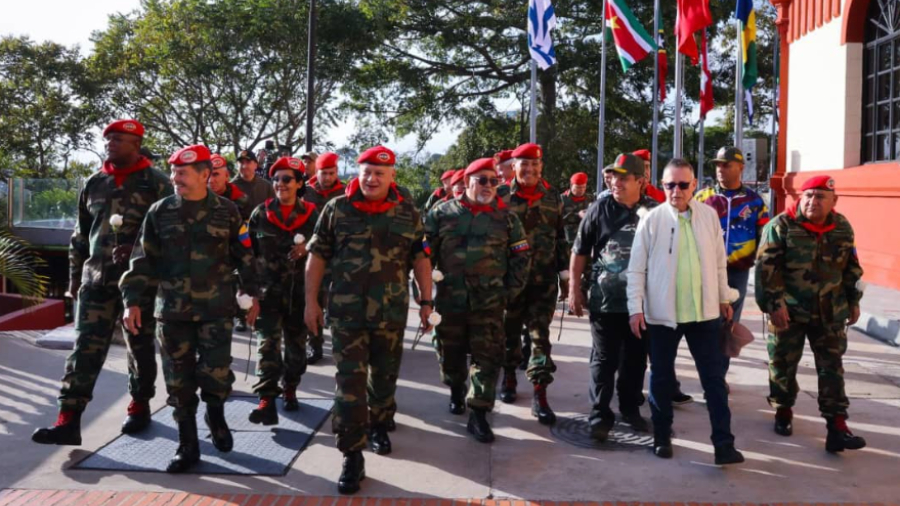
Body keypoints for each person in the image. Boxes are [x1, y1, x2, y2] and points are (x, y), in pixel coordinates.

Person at [120, 144, 260, 473]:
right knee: (178, 380)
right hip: (172, 311)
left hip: (216, 309)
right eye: (173, 172)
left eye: (182, 173)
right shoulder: (159, 212)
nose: (175, 178)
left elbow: (245, 256)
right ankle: (187, 444)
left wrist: (252, 293)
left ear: (204, 175)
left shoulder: (227, 211)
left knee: (216, 373)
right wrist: (132, 301)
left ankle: (216, 416)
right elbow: (142, 259)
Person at [32, 120, 173, 447]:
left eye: (118, 139)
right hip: (96, 280)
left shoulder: (157, 183)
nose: (110, 143)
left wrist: (137, 248)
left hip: (139, 284)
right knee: (84, 349)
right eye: (108, 139)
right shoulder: (95, 182)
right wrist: (74, 278)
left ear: (136, 144)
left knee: (139, 346)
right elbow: (81, 234)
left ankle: (139, 405)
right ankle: (68, 420)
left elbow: (169, 234)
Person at [305, 145, 433, 495]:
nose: (372, 179)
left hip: (391, 312)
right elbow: (317, 257)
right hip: (346, 314)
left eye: (380, 173)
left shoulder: (407, 212)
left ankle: (379, 423)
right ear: (357, 173)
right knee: (349, 384)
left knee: (384, 377)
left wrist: (426, 301)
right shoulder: (337, 209)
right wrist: (310, 302)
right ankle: (351, 454)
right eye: (367, 173)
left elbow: (421, 258)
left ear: (392, 176)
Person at [626, 158, 744, 465]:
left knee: (714, 381)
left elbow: (719, 263)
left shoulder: (708, 216)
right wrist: (635, 309)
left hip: (704, 315)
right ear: (662, 185)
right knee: (661, 378)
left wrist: (723, 298)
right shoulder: (652, 220)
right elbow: (636, 269)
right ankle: (662, 437)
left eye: (682, 184)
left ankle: (724, 445)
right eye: (669, 185)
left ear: (694, 185)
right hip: (663, 316)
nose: (676, 191)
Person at [755, 175, 866, 453]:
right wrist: (774, 305)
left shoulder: (842, 227)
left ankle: (837, 426)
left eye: (820, 197)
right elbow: (766, 269)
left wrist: (853, 300)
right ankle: (783, 410)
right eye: (808, 196)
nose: (812, 201)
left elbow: (852, 267)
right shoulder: (781, 226)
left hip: (830, 312)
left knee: (832, 368)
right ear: (800, 198)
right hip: (789, 312)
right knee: (782, 364)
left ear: (834, 201)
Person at [424, 158, 530, 443]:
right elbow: (424, 255)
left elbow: (521, 257)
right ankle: (456, 388)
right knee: (449, 354)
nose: (488, 186)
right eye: (482, 180)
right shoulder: (441, 213)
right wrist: (425, 295)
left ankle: (479, 413)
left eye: (494, 181)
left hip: (489, 303)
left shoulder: (507, 219)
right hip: (450, 301)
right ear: (466, 181)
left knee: (488, 358)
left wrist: (509, 292)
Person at [569, 154, 658, 441]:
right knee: (604, 360)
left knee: (636, 359)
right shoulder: (599, 209)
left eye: (623, 178)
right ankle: (600, 414)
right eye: (614, 177)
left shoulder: (655, 211)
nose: (616, 182)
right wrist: (574, 289)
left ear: (640, 181)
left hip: (641, 304)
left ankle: (630, 409)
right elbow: (580, 251)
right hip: (605, 301)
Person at [499, 142, 569, 426]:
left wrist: (565, 276)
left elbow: (560, 237)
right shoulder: (501, 196)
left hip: (543, 281)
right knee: (509, 334)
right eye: (524, 164)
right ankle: (508, 377)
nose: (529, 169)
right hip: (511, 281)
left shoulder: (553, 197)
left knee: (540, 336)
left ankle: (540, 393)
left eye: (534, 164)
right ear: (513, 167)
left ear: (541, 166)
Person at [247, 157, 319, 424]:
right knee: (267, 345)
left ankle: (290, 386)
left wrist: (308, 248)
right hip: (268, 294)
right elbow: (247, 255)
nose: (280, 184)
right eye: (276, 179)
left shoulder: (313, 215)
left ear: (299, 183)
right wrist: (249, 293)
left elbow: (327, 249)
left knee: (296, 350)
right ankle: (266, 398)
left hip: (300, 295)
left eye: (287, 179)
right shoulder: (261, 213)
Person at [696, 147, 769, 382]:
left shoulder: (755, 201)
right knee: (706, 323)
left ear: (740, 167)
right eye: (718, 165)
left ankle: (718, 377)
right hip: (705, 270)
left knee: (727, 325)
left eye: (726, 165)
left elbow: (765, 239)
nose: (720, 169)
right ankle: (708, 373)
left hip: (737, 271)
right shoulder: (702, 198)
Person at [303, 152, 346, 364]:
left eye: (331, 173)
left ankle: (342, 345)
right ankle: (315, 344)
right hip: (315, 255)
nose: (327, 177)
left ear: (336, 172)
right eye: (323, 173)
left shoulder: (345, 192)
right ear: (316, 172)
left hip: (340, 256)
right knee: (315, 300)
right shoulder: (306, 192)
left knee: (339, 302)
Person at [209, 154, 253, 220]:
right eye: (208, 175)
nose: (210, 180)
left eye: (215, 174)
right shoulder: (197, 199)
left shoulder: (242, 202)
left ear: (227, 176)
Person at [561, 172, 593, 245]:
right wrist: (578, 215)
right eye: (578, 187)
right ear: (571, 185)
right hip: (568, 239)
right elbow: (559, 219)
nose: (581, 190)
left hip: (586, 237)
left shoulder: (590, 198)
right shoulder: (562, 199)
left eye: (583, 187)